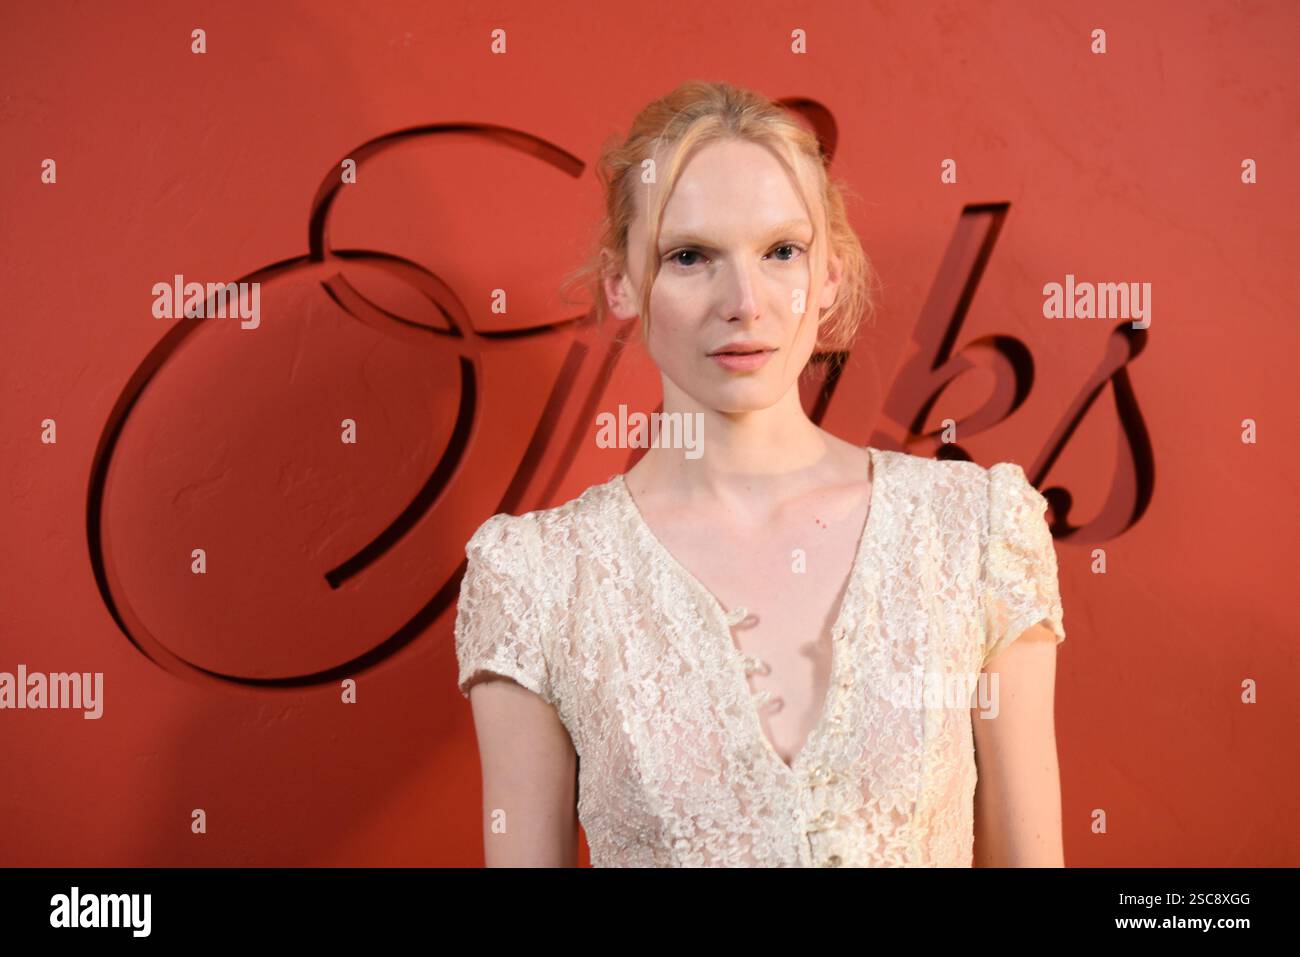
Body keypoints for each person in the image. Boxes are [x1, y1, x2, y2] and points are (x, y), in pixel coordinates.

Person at [454, 80, 1067, 867]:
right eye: (690, 256)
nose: (745, 302)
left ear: (831, 274)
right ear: (621, 282)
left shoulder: (975, 532)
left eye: (782, 251)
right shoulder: (535, 579)